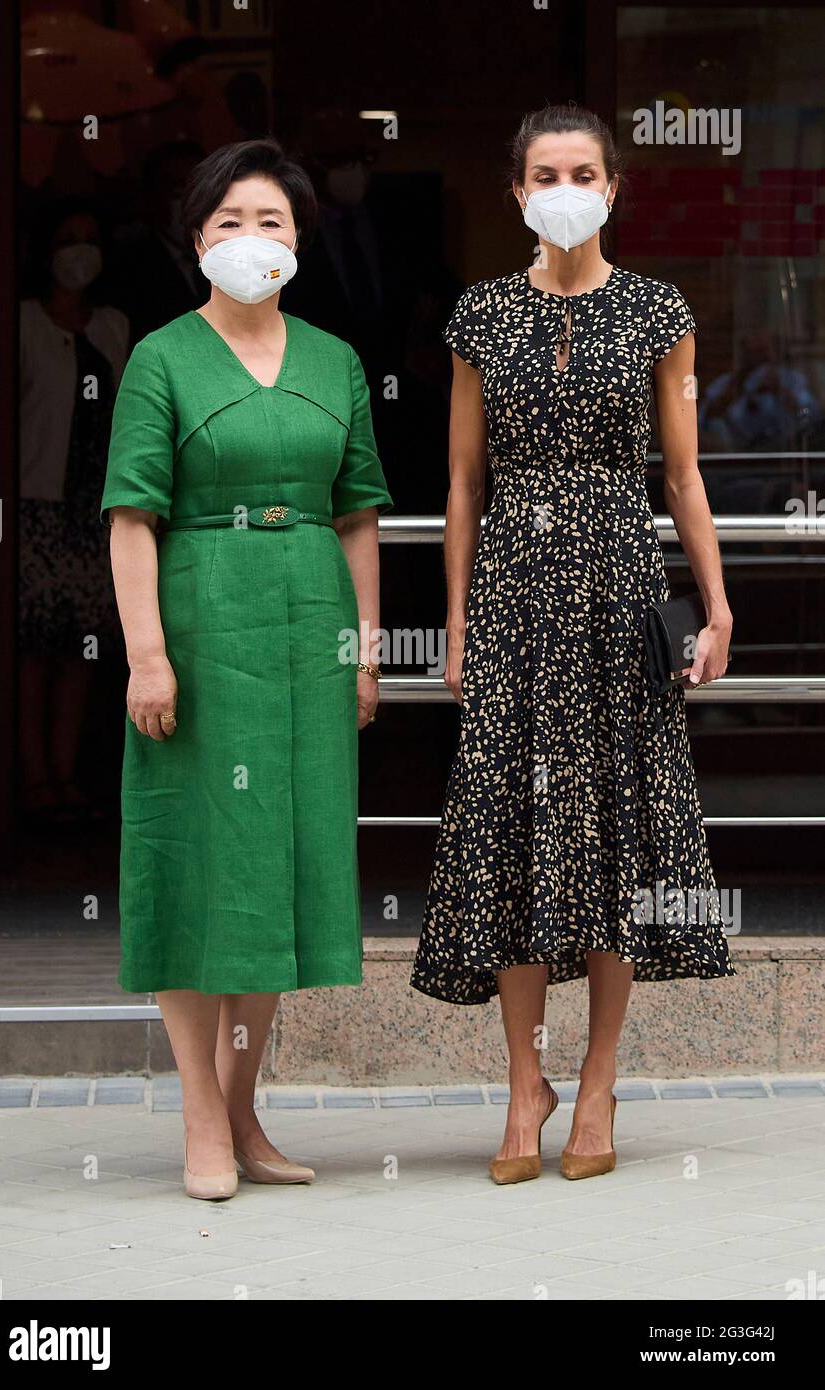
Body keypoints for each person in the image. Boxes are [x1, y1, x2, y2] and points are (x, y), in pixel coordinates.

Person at [412, 105, 734, 1184]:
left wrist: (716, 603)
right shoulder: (481, 314)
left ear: (611, 187)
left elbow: (680, 475)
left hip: (615, 581)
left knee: (611, 835)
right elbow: (460, 482)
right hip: (509, 586)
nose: (563, 186)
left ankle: (595, 1083)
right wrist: (455, 618)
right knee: (510, 824)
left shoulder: (656, 310)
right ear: (515, 191)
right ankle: (520, 1085)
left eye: (582, 170)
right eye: (543, 172)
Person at [100, 139, 393, 1200]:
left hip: (307, 622)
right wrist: (145, 656)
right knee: (195, 861)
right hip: (199, 618)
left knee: (284, 862)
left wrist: (359, 651)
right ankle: (198, 1118)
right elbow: (132, 517)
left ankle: (241, 1108)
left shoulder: (334, 361)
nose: (249, 239)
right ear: (194, 241)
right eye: (227, 222)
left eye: (270, 221)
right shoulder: (162, 358)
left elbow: (358, 517)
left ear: (300, 241)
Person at [20, 199, 129, 821]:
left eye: (91, 238)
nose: (80, 250)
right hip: (38, 504)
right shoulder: (25, 322)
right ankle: (33, 780)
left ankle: (64, 778)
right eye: (68, 238)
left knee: (83, 648)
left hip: (97, 509)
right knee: (36, 645)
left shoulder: (112, 324)